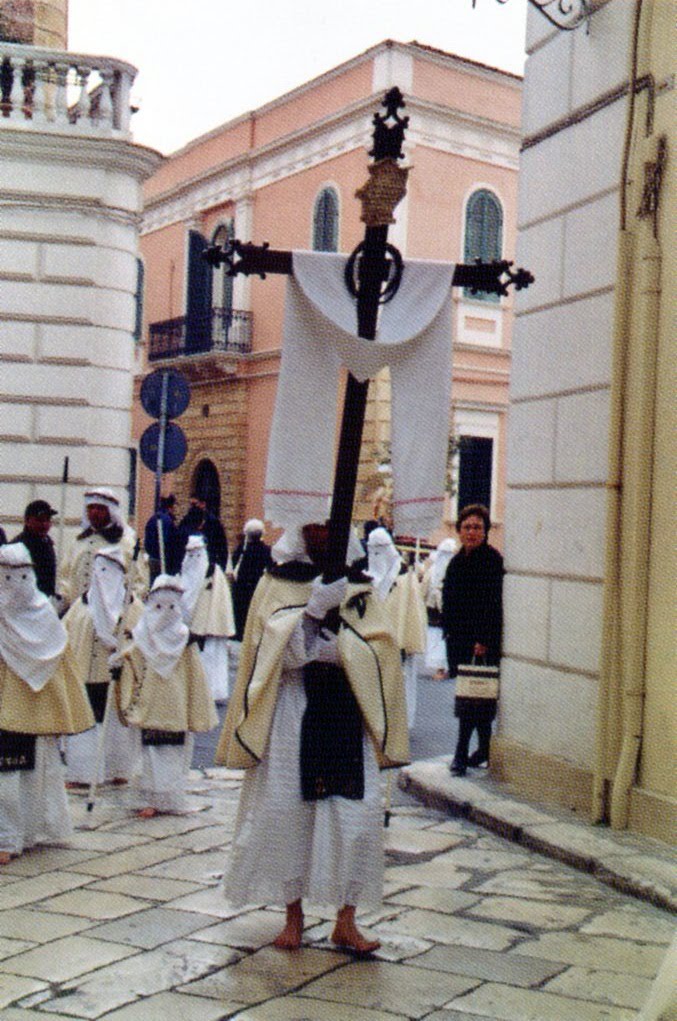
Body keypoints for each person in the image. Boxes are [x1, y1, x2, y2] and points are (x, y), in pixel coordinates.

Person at [215, 522, 409, 954]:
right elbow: (267, 653)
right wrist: (310, 616)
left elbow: (381, 649)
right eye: (316, 527)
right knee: (289, 814)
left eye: (330, 526)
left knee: (353, 819)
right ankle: (293, 916)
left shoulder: (360, 588)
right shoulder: (276, 584)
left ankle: (347, 920)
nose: (324, 533)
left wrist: (340, 650)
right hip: (292, 712)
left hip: (343, 713)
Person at [0, 543, 94, 863]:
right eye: (6, 578)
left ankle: (25, 831)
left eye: (21, 577)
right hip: (4, 707)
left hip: (37, 713)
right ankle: (6, 834)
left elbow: (61, 669)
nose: (14, 586)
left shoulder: (44, 616)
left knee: (34, 771)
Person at [116, 575, 218, 817]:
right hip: (148, 702)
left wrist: (197, 709)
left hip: (175, 706)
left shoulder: (185, 640)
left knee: (171, 753)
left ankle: (169, 798)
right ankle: (149, 798)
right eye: (159, 607)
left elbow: (195, 678)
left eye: (171, 607)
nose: (164, 614)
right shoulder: (142, 635)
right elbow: (133, 659)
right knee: (148, 752)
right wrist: (121, 661)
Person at [62, 546, 143, 789]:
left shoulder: (131, 607)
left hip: (117, 677)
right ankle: (83, 774)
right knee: (87, 722)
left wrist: (124, 652)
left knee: (116, 723)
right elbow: (66, 632)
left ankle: (118, 769)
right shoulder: (82, 605)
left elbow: (141, 639)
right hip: (86, 673)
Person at [441, 504, 504, 777]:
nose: (471, 532)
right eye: (467, 527)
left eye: (477, 527)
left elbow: (494, 604)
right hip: (459, 641)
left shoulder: (492, 560)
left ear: (485, 531)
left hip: (481, 642)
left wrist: (484, 639)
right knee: (476, 697)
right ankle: (485, 749)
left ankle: (460, 754)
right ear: (459, 530)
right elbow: (449, 601)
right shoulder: (456, 561)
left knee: (472, 701)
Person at [366, 527, 427, 728]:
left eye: (380, 549)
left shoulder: (404, 577)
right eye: (372, 549)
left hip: (398, 642)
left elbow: (413, 613)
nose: (376, 555)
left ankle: (399, 723)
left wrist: (408, 641)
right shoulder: (367, 576)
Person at [59, 487, 147, 611]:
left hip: (114, 616)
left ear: (111, 511)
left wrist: (126, 610)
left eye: (100, 509)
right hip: (79, 616)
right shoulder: (77, 543)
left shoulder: (125, 544)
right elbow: (65, 577)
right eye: (91, 508)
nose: (94, 512)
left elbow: (139, 582)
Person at [180, 535, 235, 702]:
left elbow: (220, 600)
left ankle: (213, 692)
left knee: (213, 659)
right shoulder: (185, 572)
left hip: (211, 625)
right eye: (190, 554)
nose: (193, 559)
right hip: (192, 627)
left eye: (197, 554)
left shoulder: (213, 573)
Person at [230, 518, 273, 641]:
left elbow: (234, 562)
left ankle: (238, 632)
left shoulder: (243, 549)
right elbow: (270, 566)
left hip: (241, 584)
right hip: (256, 584)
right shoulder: (266, 550)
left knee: (239, 609)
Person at [422, 537, 458, 680]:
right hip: (434, 613)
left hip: (449, 612)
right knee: (436, 640)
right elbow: (424, 590)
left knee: (447, 640)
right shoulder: (432, 571)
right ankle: (440, 668)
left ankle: (447, 667)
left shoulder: (455, 570)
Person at [12, 499, 58, 599]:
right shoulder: (18, 547)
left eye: (47, 520)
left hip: (45, 602)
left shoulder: (47, 543)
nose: (44, 524)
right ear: (27, 521)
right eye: (40, 520)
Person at [179, 495, 228, 572]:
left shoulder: (213, 522)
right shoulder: (186, 520)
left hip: (209, 562)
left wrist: (221, 567)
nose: (192, 507)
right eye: (191, 504)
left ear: (203, 504)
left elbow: (221, 545)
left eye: (195, 504)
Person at [144, 494, 184, 581]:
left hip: (152, 558)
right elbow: (167, 542)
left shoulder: (152, 518)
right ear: (171, 507)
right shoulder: (168, 520)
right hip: (163, 560)